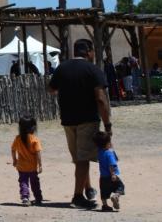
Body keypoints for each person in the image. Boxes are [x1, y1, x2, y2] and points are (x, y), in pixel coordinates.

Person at [47, 39, 111, 209]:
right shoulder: (92, 70)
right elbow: (100, 99)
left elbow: (51, 89)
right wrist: (108, 124)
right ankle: (77, 196)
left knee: (79, 158)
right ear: (88, 51)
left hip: (68, 120)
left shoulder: (62, 68)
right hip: (87, 119)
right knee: (83, 159)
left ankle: (88, 187)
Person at [11, 116, 43, 206]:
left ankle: (25, 197)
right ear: (33, 127)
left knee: (23, 182)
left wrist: (14, 160)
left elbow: (13, 150)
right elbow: (38, 153)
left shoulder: (17, 138)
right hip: (32, 167)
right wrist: (40, 165)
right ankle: (38, 198)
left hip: (21, 166)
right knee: (35, 182)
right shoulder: (34, 139)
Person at [94, 131, 124, 212]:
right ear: (107, 143)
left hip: (103, 177)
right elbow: (112, 164)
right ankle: (116, 196)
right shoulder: (109, 153)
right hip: (111, 176)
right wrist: (113, 174)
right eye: (109, 142)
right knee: (120, 187)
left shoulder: (99, 152)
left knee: (104, 192)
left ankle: (105, 205)